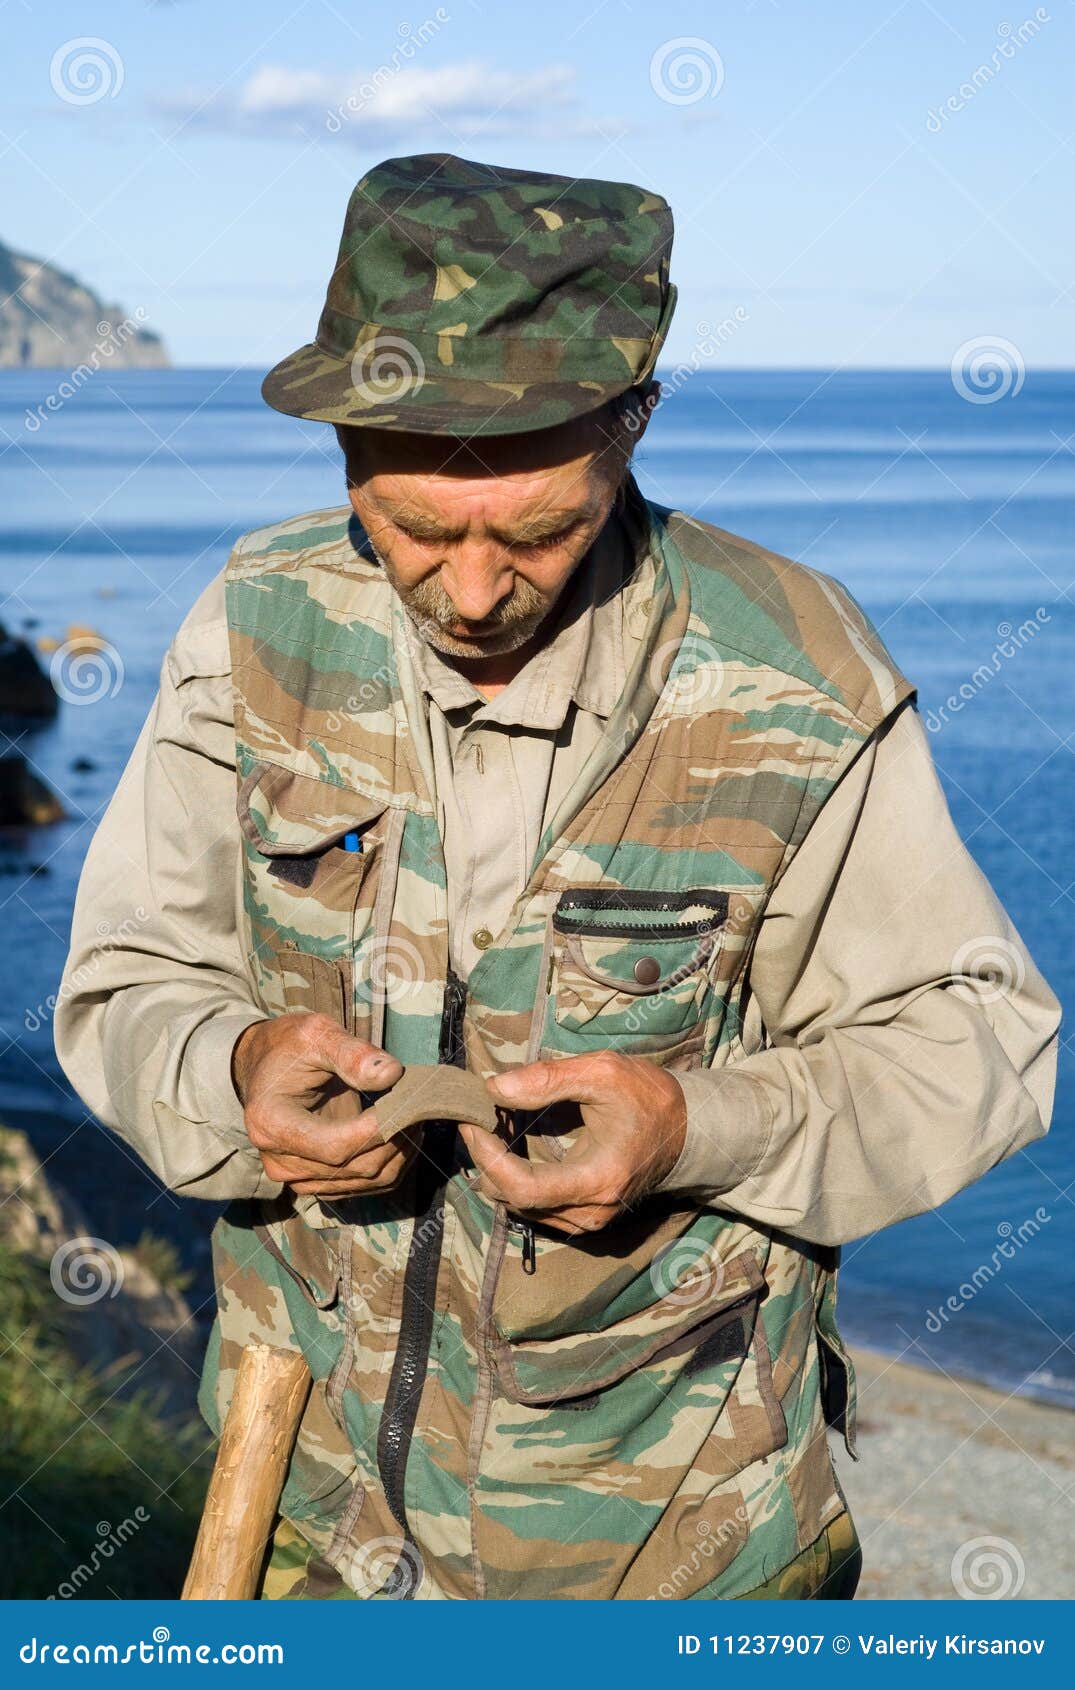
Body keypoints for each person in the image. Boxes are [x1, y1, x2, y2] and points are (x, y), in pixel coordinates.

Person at [55, 152, 1059, 1601]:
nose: (472, 592)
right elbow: (128, 983)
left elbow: (983, 1042)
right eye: (413, 528)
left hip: (691, 1560)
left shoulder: (798, 674)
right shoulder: (251, 629)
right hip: (305, 1511)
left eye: (536, 529)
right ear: (341, 437)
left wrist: (699, 1124)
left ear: (631, 422)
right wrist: (229, 1074)